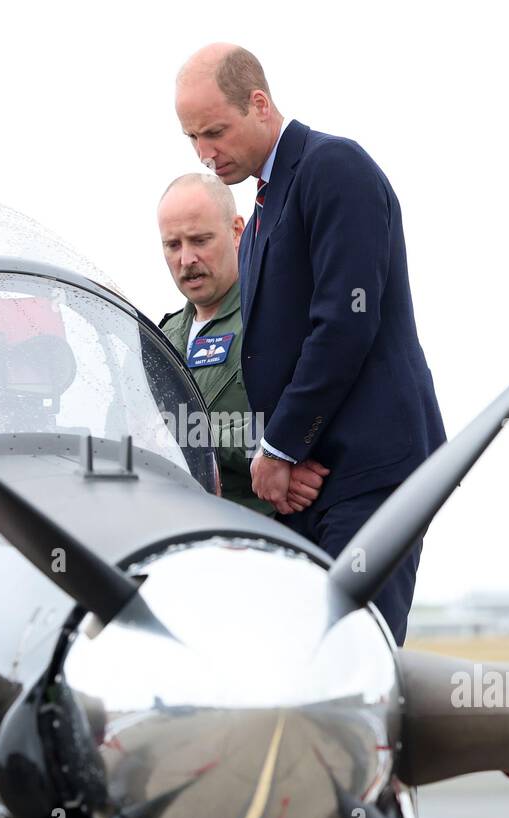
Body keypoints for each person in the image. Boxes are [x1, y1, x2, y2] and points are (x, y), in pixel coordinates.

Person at [174, 43, 448, 645]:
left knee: (349, 660)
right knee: (296, 657)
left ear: (260, 104)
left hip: (370, 471)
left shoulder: (331, 168)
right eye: (192, 136)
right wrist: (283, 458)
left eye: (215, 131)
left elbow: (346, 322)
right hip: (315, 481)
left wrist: (279, 446)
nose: (204, 152)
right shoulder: (265, 206)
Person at [155, 172, 328, 515]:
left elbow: (297, 421)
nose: (186, 259)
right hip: (170, 536)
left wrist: (174, 435)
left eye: (200, 240)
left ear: (237, 231)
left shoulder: (279, 320)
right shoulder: (159, 339)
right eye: (173, 245)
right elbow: (126, 435)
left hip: (257, 536)